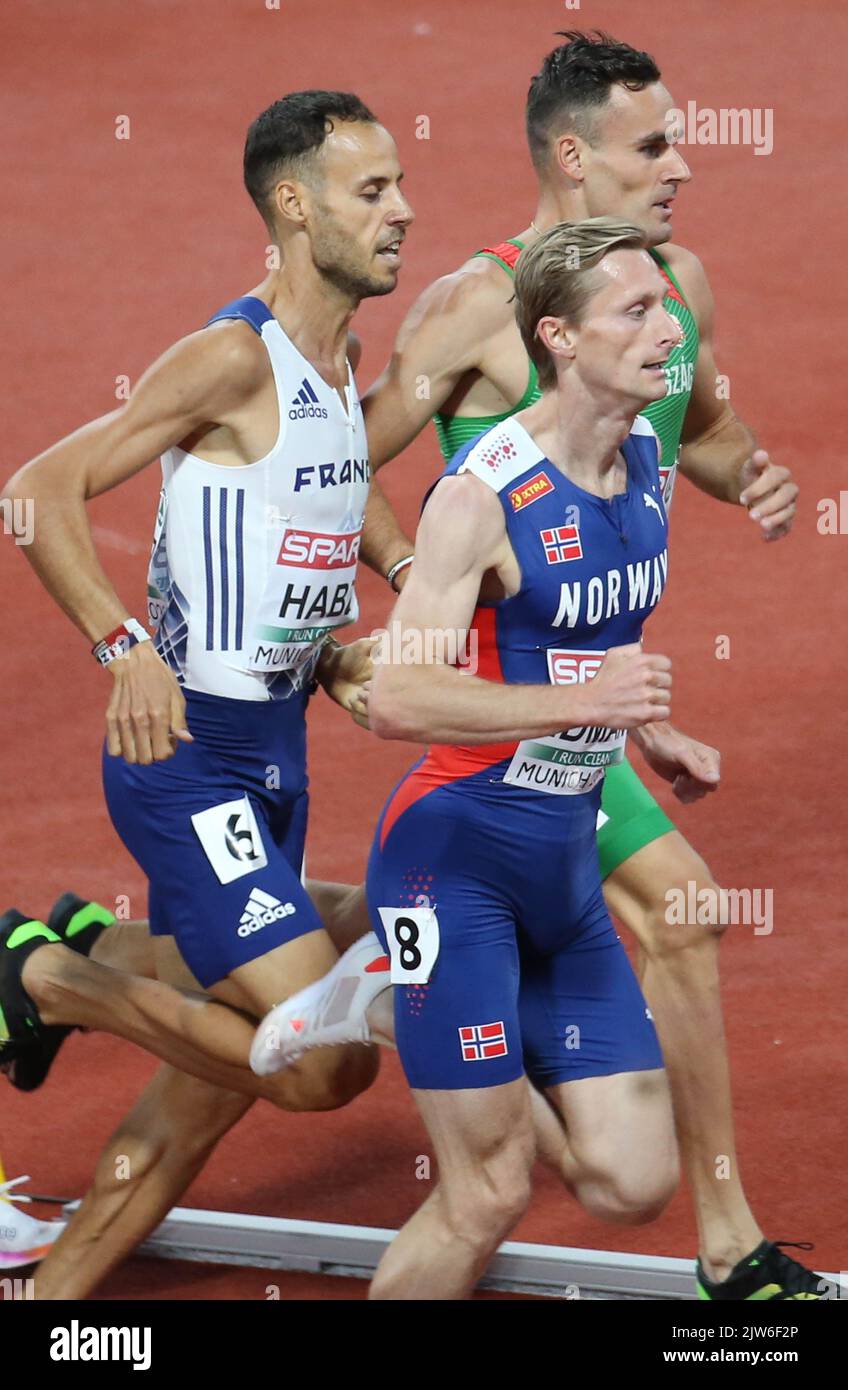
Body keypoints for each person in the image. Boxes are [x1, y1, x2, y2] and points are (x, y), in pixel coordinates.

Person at [256, 32, 826, 1303]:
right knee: (672, 922)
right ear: (572, 159)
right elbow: (345, 465)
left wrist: (750, 478)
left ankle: (383, 961)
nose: (681, 164)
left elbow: (703, 432)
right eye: (651, 144)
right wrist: (413, 586)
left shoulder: (666, 311)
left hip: (563, 752)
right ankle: (727, 1236)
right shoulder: (478, 309)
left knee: (616, 1156)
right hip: (485, 749)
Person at [0, 90, 412, 1298]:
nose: (403, 208)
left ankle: (58, 1304)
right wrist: (120, 642)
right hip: (188, 759)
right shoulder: (236, 355)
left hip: (274, 759)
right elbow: (36, 488)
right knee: (317, 1065)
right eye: (371, 189)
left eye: (397, 185)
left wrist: (342, 632)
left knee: (213, 1080)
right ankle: (49, 979)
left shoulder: (337, 365)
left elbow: (316, 498)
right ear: (294, 204)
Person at [269, 219, 683, 1299]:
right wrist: (581, 699)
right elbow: (395, 694)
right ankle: (419, 982)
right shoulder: (481, 494)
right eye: (635, 310)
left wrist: (636, 720)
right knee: (484, 1191)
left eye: (664, 302)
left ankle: (396, 994)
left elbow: (583, 629)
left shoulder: (639, 464)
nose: (667, 328)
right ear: (556, 336)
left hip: (560, 871)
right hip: (452, 862)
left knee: (631, 1179)